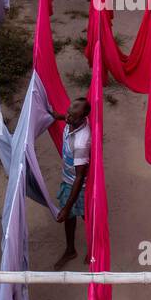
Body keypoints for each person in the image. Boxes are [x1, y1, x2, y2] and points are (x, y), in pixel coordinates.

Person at [52, 97, 91, 269]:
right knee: (70, 218)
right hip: (68, 179)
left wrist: (67, 207)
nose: (67, 118)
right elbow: (67, 117)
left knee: (87, 217)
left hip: (79, 186)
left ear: (82, 118)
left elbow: (80, 177)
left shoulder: (81, 142)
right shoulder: (72, 121)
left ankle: (94, 250)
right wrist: (58, 116)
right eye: (68, 112)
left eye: (72, 116)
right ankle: (70, 250)